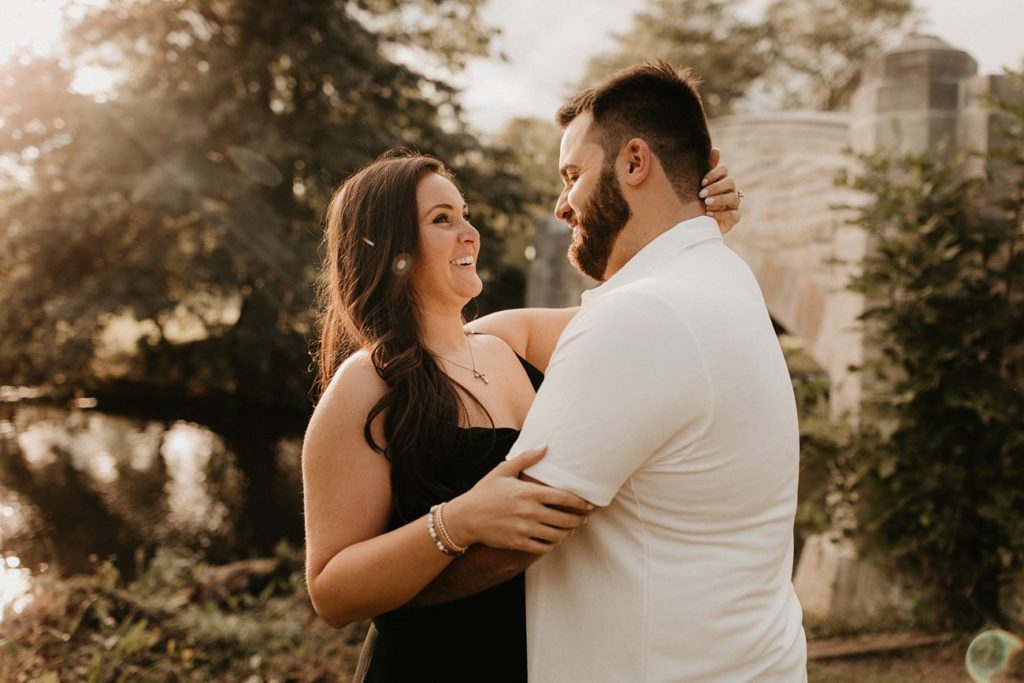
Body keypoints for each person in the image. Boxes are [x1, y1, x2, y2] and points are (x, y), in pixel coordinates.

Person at [302, 147, 740, 680]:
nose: (469, 232)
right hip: (432, 666)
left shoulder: (507, 339)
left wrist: (693, 228)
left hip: (549, 656)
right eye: (442, 220)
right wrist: (458, 520)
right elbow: (330, 593)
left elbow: (637, 310)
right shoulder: (367, 382)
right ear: (387, 245)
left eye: (464, 214)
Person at [493, 61, 807, 681]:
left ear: (635, 163)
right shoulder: (723, 277)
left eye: (572, 175)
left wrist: (382, 574)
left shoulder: (643, 315)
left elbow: (506, 540)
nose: (561, 205)